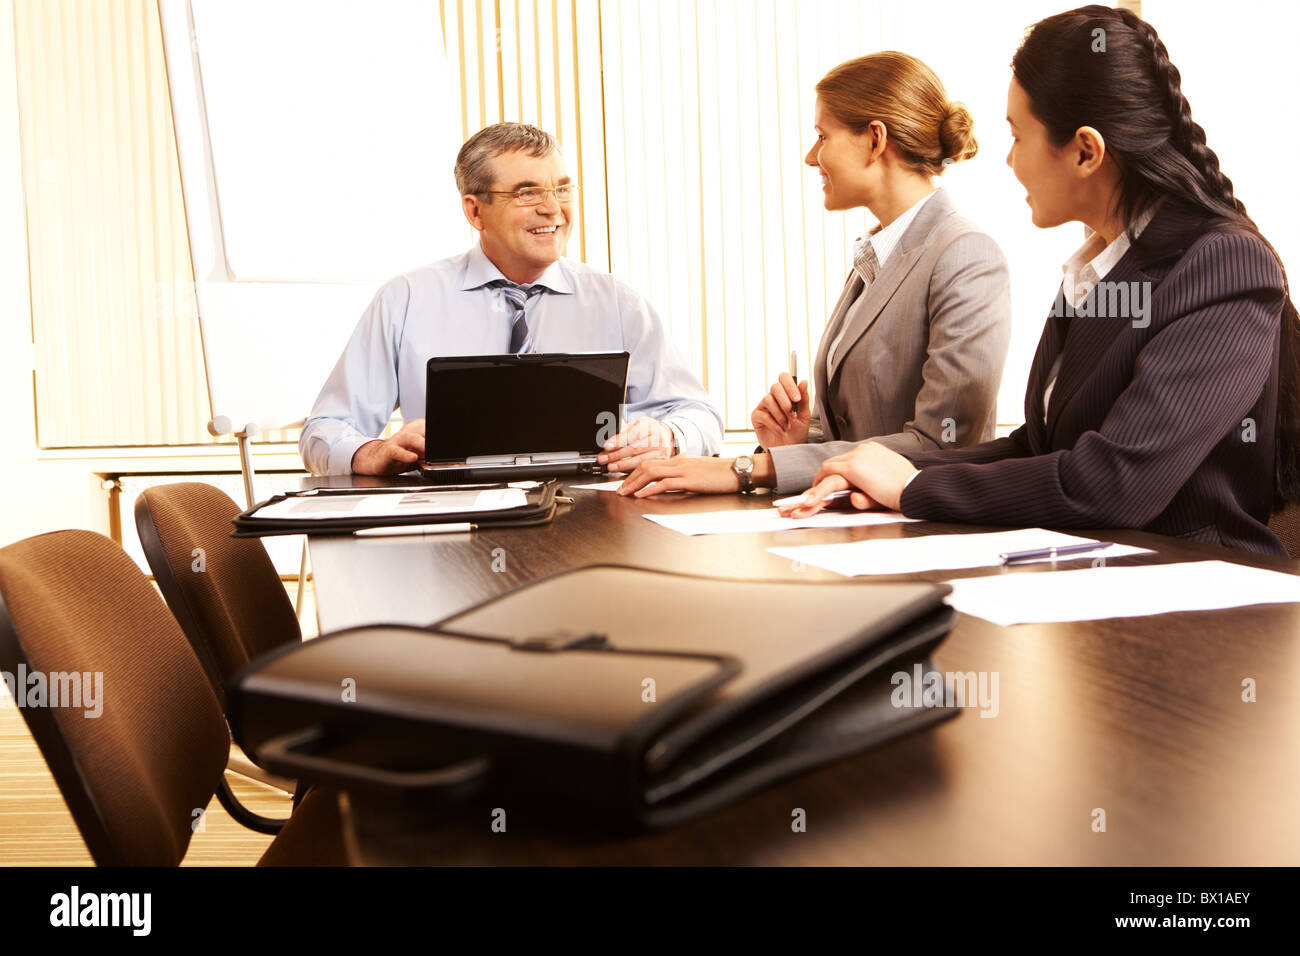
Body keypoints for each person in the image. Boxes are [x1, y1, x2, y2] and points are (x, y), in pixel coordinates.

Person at [782, 5, 1300, 557]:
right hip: (1089, 584)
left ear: (1085, 151)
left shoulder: (1225, 265)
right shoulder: (1099, 269)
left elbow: (1115, 482)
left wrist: (913, 487)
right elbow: (1037, 447)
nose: (1007, 159)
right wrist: (875, 468)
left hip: (1201, 606)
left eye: (1017, 135)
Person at [617, 51, 1011, 498]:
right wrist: (798, 439)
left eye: (822, 136)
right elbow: (863, 431)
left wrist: (750, 468)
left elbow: (942, 442)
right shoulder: (880, 253)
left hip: (922, 533)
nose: (811, 157)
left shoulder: (965, 254)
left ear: (875, 139)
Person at [299, 122, 723, 476]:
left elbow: (700, 415)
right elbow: (324, 428)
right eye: (527, 192)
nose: (552, 209)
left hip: (595, 521)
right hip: (453, 533)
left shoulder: (616, 301)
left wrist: (667, 437)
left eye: (562, 189)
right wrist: (369, 452)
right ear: (474, 211)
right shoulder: (406, 299)